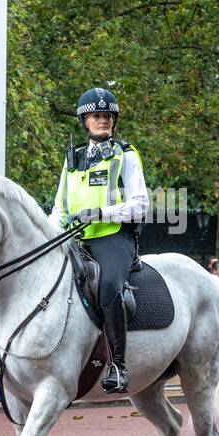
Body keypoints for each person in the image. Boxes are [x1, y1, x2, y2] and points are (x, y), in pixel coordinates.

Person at [48, 87, 150, 393]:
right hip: (76, 239)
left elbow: (141, 204)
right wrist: (51, 236)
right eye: (96, 116)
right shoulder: (73, 159)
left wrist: (101, 213)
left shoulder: (126, 154)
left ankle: (118, 365)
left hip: (113, 239)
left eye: (107, 116)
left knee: (107, 288)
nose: (102, 120)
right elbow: (60, 208)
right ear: (85, 121)